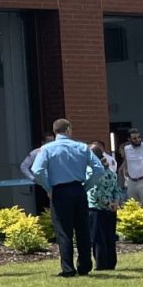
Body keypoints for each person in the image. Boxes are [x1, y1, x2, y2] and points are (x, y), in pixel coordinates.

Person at [31, 118, 96, 277]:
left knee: (63, 231)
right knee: (83, 230)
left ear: (55, 131)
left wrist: (48, 188)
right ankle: (85, 266)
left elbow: (37, 171)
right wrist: (86, 186)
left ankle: (68, 268)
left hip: (59, 191)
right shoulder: (82, 147)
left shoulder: (46, 149)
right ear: (68, 130)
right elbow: (98, 169)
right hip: (78, 189)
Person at [84, 141, 123, 271]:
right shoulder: (110, 172)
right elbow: (117, 189)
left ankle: (101, 264)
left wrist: (106, 203)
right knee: (109, 237)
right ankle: (111, 263)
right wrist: (115, 203)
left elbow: (94, 192)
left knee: (97, 238)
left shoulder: (91, 171)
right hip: (111, 210)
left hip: (95, 209)